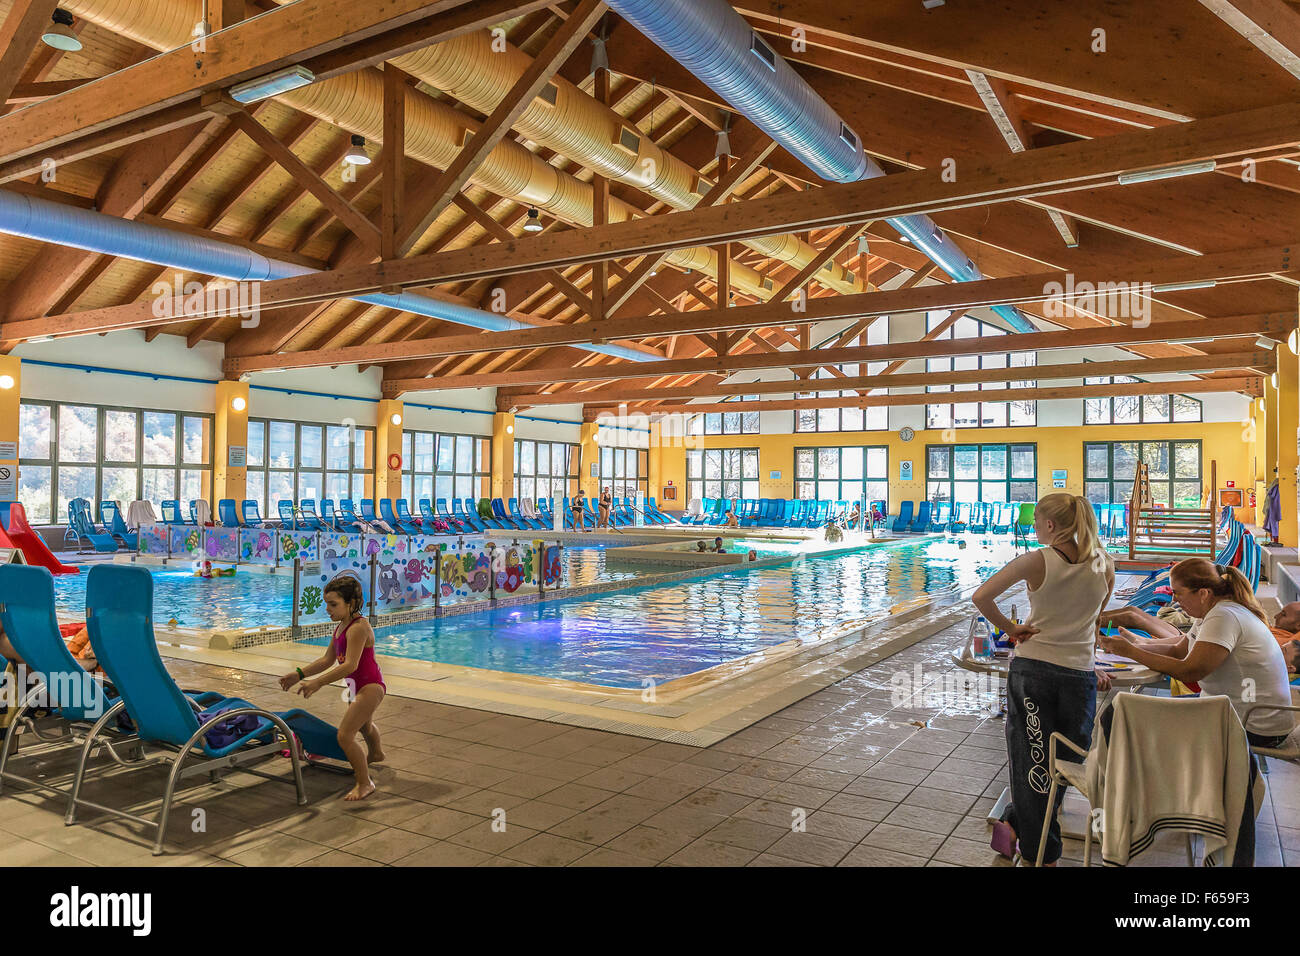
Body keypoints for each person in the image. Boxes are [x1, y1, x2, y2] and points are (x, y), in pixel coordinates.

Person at [972, 493, 1113, 866]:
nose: (1033, 525)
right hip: (1078, 675)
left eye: (1036, 519)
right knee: (1060, 764)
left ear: (1050, 525)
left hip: (1035, 672)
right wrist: (1091, 661)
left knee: (1035, 765)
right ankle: (1037, 846)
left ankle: (1027, 835)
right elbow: (1092, 622)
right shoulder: (1105, 564)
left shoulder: (1036, 560)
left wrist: (1012, 629)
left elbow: (981, 596)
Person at [1098, 558, 1294, 748]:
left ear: (1203, 593)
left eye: (1178, 593)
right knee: (1122, 709)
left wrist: (1132, 652)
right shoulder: (1211, 612)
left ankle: (1133, 777)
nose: (1173, 599)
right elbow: (1178, 649)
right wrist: (1124, 649)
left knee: (1118, 714)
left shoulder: (1224, 616)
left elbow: (1190, 671)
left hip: (1253, 726)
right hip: (1235, 711)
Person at [279, 576, 386, 801]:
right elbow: (327, 659)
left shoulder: (358, 628)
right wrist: (298, 674)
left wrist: (318, 682)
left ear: (352, 603)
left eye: (333, 604)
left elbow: (350, 665)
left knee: (345, 736)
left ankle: (365, 783)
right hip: (356, 685)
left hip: (370, 686)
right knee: (364, 726)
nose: (327, 609)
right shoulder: (341, 627)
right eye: (326, 603)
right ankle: (376, 753)